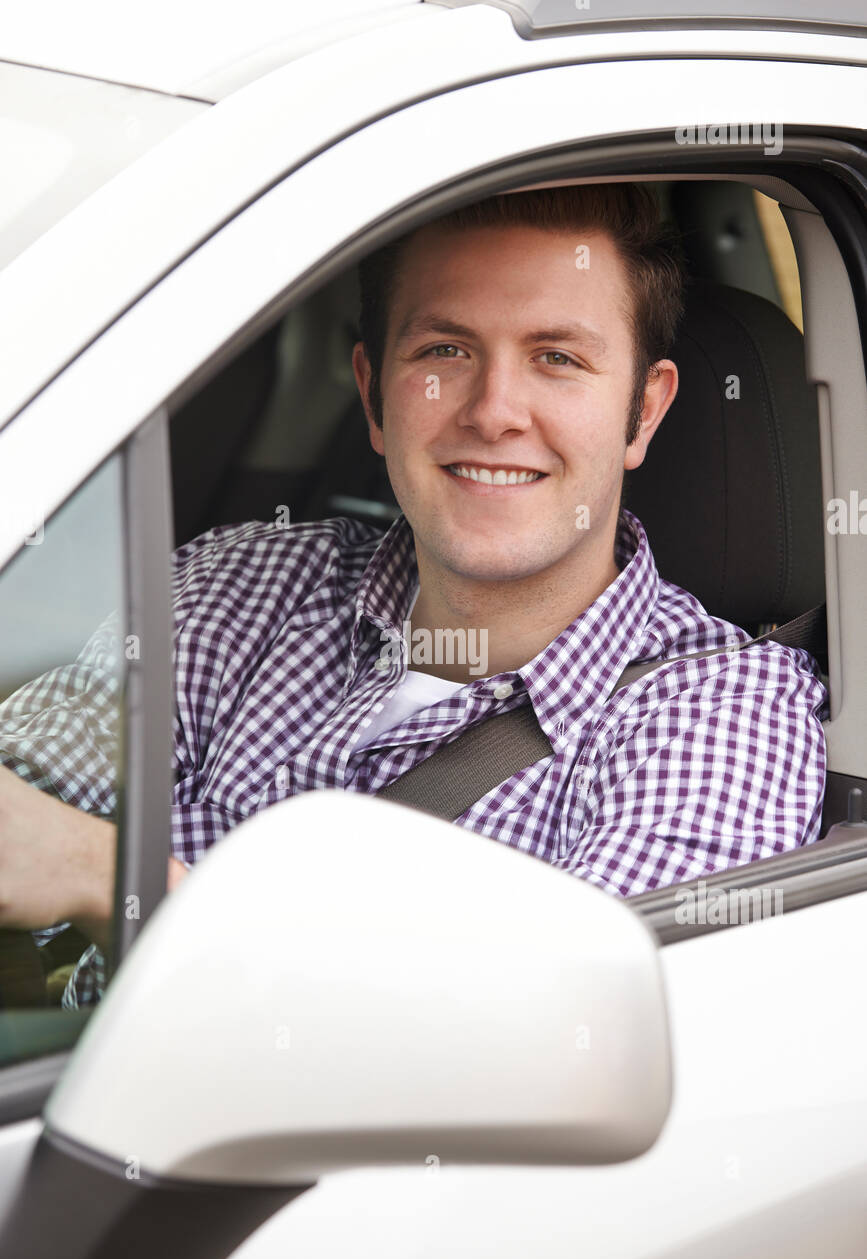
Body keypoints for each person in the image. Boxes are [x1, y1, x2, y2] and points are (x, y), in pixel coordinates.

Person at [0, 184, 827, 1007]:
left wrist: (105, 880)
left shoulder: (724, 715)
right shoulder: (227, 591)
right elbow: (20, 813)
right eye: (445, 351)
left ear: (642, 414)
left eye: (557, 358)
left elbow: (521, 1050)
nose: (495, 412)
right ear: (372, 395)